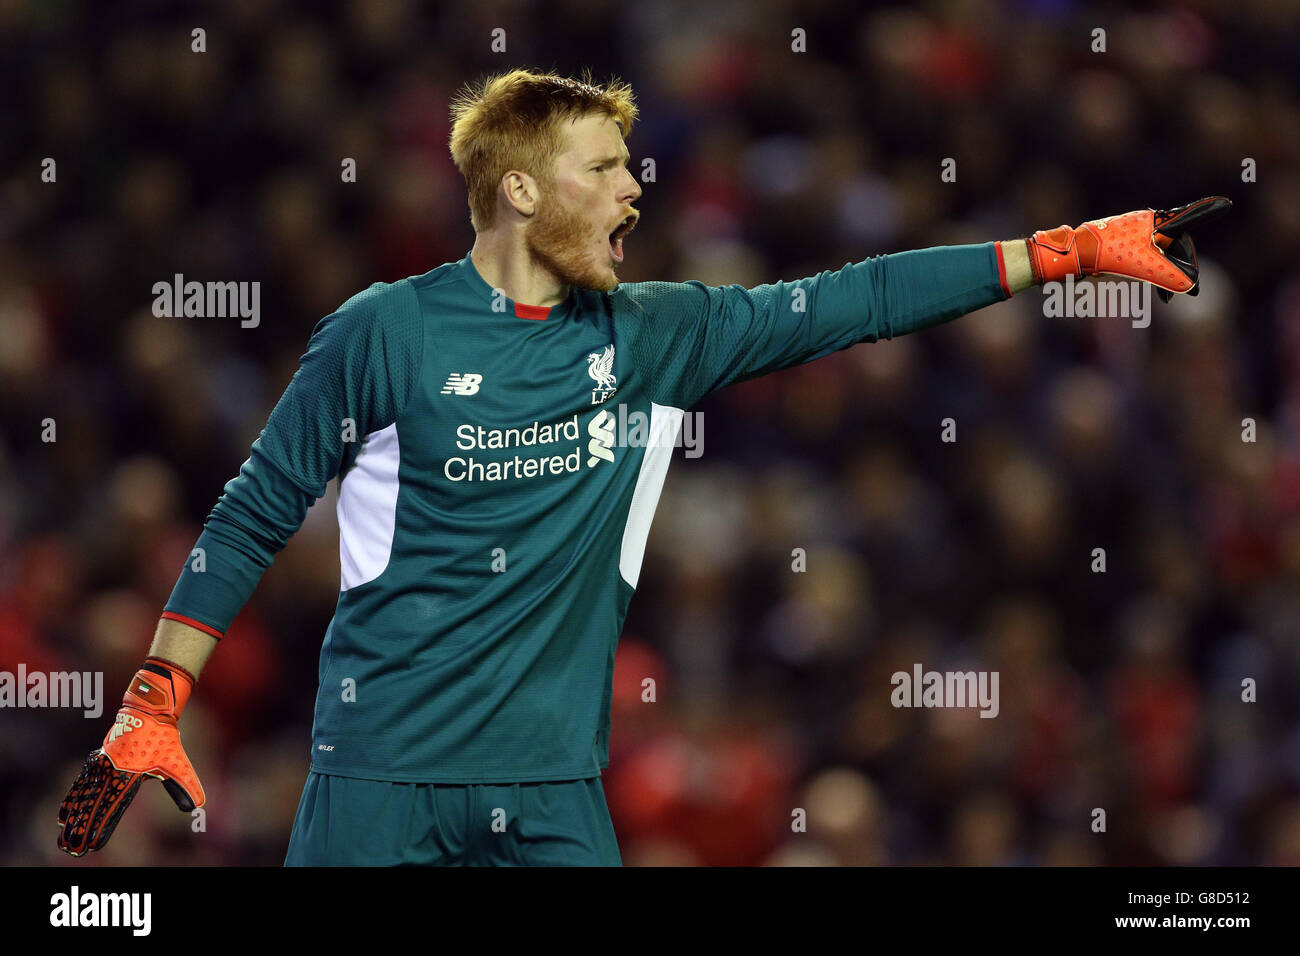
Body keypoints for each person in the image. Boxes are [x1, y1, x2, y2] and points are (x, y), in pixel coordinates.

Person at [55, 68, 1229, 866]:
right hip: (375, 778)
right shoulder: (382, 332)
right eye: (606, 168)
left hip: (555, 788)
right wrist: (155, 703)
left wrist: (1059, 251)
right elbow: (256, 510)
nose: (634, 188)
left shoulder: (651, 332)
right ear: (519, 188)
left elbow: (850, 301)